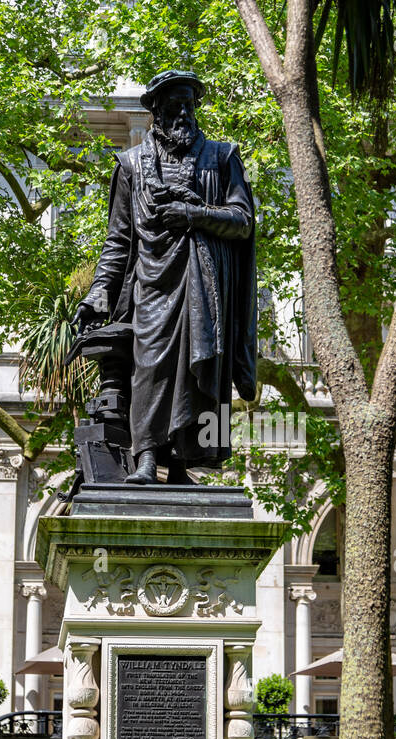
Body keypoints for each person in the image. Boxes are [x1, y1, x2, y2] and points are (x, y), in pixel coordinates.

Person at [73, 69, 258, 485]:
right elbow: (117, 240)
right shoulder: (131, 165)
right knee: (150, 367)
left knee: (203, 372)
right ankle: (146, 458)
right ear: (155, 111)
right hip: (152, 286)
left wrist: (195, 214)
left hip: (204, 286)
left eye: (189, 105)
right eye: (173, 105)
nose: (183, 113)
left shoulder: (222, 157)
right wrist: (97, 294)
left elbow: (242, 220)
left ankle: (182, 466)